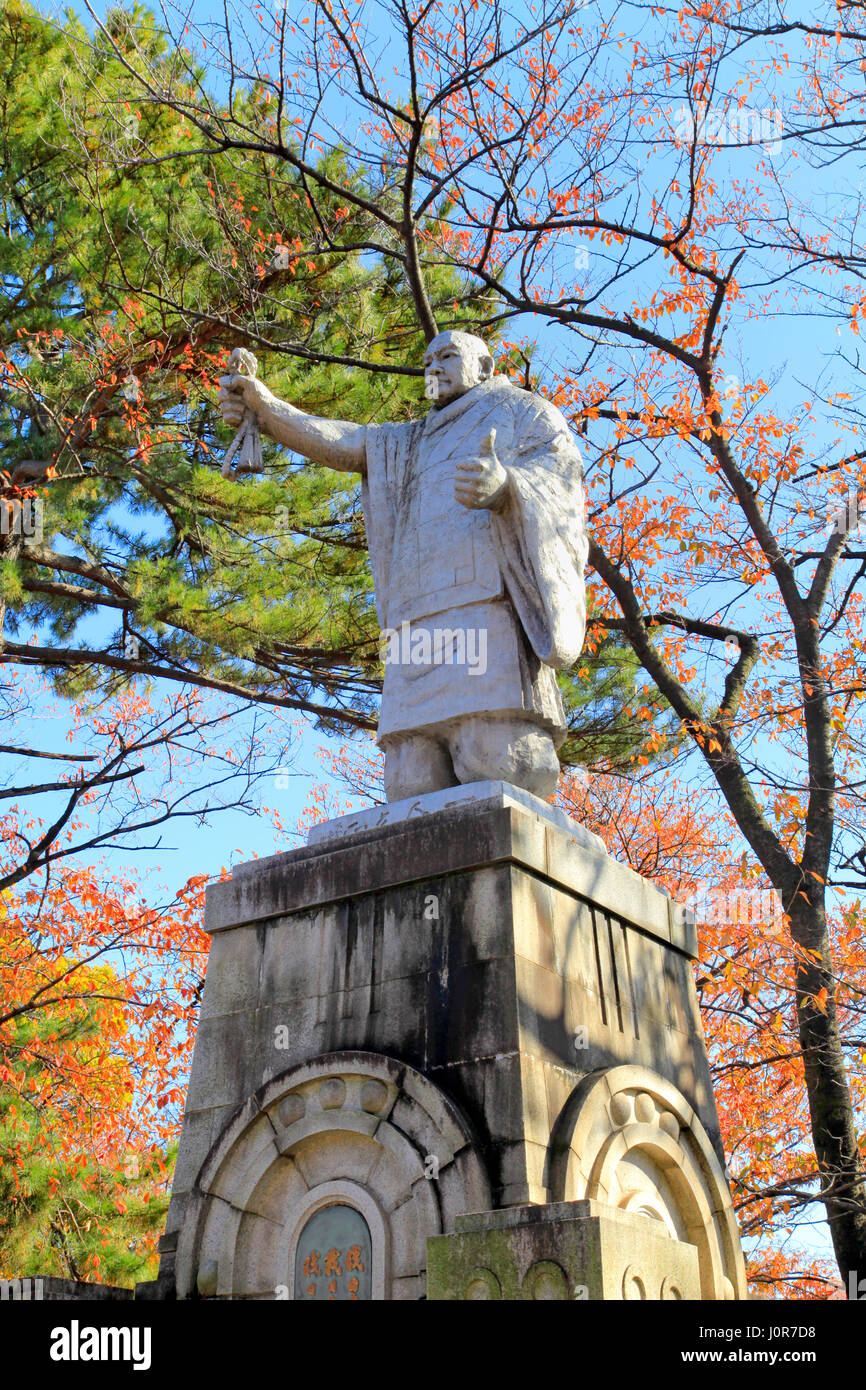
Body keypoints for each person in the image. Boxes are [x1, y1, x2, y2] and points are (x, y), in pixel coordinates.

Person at [219, 330, 587, 801]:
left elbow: (562, 481)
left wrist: (508, 486)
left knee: (499, 761)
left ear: (487, 367)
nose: (433, 367)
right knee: (411, 778)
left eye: (448, 356)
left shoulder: (524, 412)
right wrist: (266, 409)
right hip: (415, 618)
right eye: (427, 359)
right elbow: (345, 442)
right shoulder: (410, 440)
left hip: (487, 609)